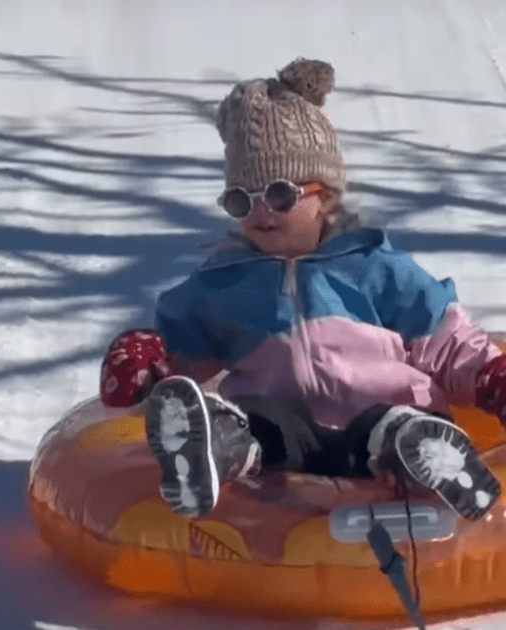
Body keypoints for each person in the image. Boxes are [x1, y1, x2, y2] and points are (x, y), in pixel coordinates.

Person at [99, 58, 506, 523]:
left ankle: (427, 455)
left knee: (392, 421)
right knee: (259, 418)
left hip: (378, 421)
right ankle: (215, 450)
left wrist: (492, 378)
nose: (259, 211)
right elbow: (178, 353)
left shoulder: (375, 268)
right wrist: (144, 362)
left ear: (326, 195)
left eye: (279, 194)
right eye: (239, 199)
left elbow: (446, 340)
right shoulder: (222, 284)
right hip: (287, 450)